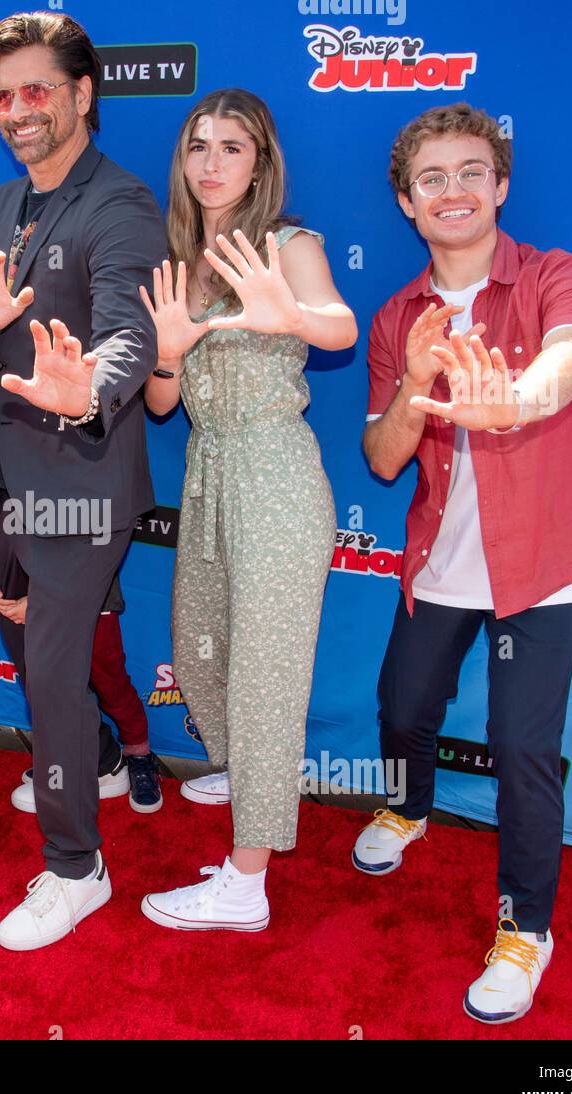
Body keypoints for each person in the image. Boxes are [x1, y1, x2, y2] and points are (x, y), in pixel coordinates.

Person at [354, 103, 572, 1024]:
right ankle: (407, 808)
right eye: (432, 179)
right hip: (442, 562)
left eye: (471, 172)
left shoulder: (552, 274)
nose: (452, 190)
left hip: (540, 563)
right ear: (407, 203)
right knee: (402, 706)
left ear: (500, 186)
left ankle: (525, 929)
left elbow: (571, 356)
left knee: (522, 750)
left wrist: (517, 402)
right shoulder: (396, 316)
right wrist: (419, 386)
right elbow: (383, 459)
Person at [0, 11, 167, 950]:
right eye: (4, 94)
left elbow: (130, 332)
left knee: (49, 672)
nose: (18, 110)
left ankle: (78, 868)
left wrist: (88, 391)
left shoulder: (123, 205)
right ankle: (101, 756)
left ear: (83, 95)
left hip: (80, 481)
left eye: (39, 90)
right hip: (2, 471)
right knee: (22, 636)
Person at [137, 89, 356, 931]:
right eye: (199, 146)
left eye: (232, 147)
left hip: (274, 470)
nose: (213, 162)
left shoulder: (288, 244)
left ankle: (247, 880)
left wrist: (288, 313)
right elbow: (161, 405)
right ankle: (244, 768)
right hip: (206, 467)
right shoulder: (175, 258)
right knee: (201, 644)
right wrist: (167, 353)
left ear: (259, 161)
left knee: (267, 677)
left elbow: (336, 327)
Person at [0, 572, 162, 812]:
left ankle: (139, 756)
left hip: (94, 602)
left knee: (110, 683)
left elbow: (98, 550)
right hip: (38, 598)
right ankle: (76, 761)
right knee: (60, 686)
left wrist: (41, 598)